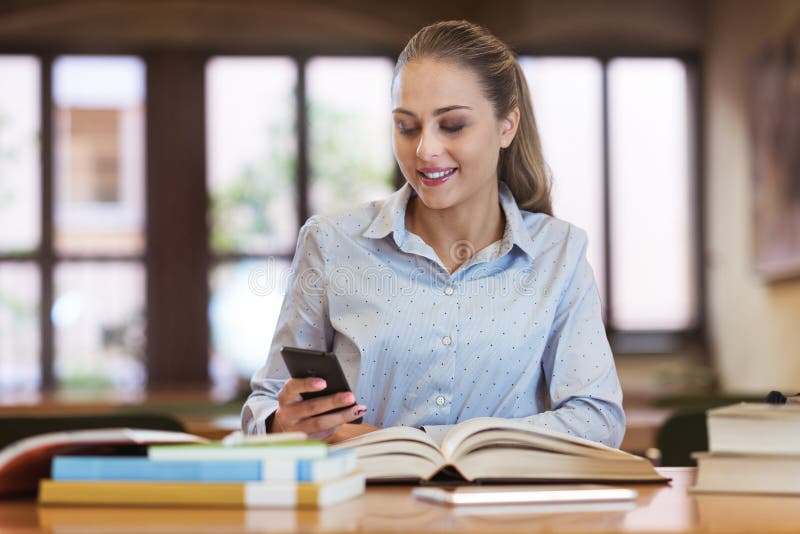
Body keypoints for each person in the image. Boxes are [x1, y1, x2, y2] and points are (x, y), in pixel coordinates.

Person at [242, 20, 625, 448]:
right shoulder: (331, 241)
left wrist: (423, 440)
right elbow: (263, 406)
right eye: (407, 127)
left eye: (453, 125)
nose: (425, 150)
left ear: (506, 126)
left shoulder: (560, 253)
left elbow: (598, 421)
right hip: (361, 510)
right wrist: (283, 422)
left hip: (507, 512)